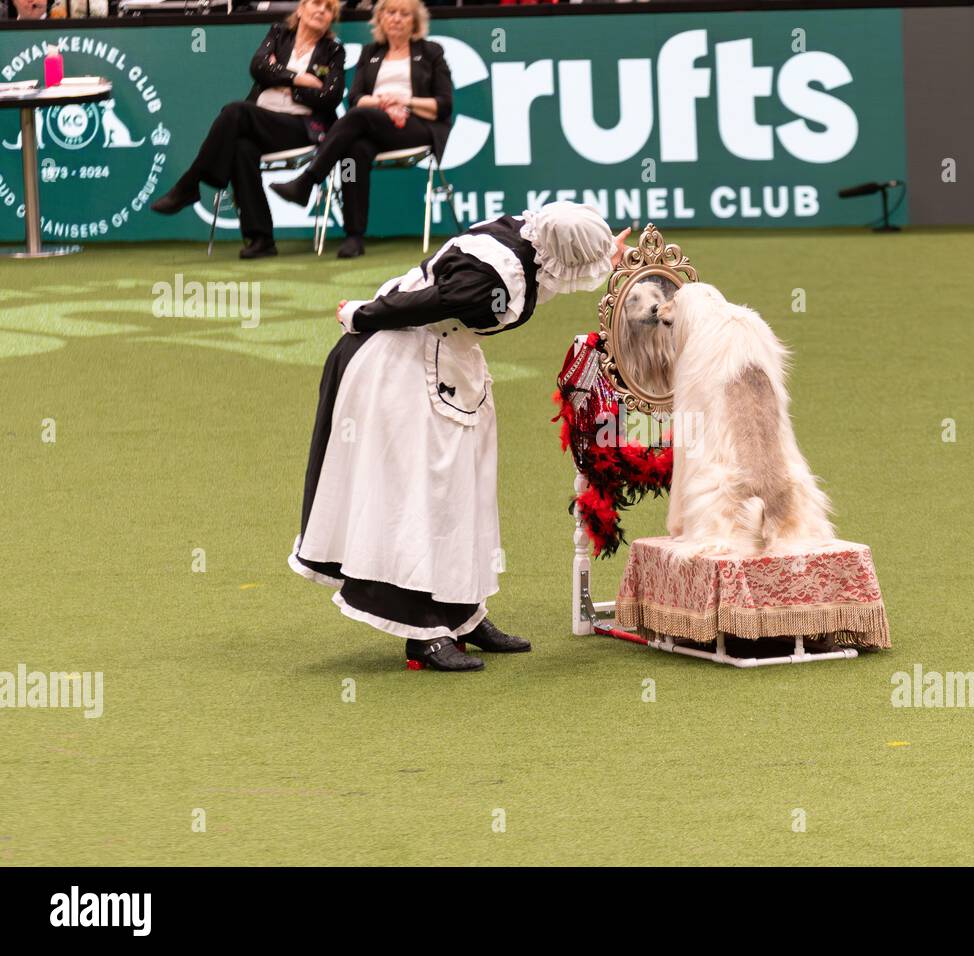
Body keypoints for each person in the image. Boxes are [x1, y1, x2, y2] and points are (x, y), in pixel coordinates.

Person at [290, 202, 632, 671]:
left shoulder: (530, 235)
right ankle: (422, 632)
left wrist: (601, 250)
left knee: (463, 489)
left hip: (447, 363)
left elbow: (538, 276)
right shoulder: (488, 279)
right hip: (400, 366)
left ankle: (461, 613)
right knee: (418, 493)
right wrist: (361, 314)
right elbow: (424, 304)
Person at [149, 0, 345, 259]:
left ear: (332, 18)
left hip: (301, 128)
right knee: (242, 148)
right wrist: (299, 79)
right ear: (301, 9)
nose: (322, 10)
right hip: (264, 120)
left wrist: (282, 80)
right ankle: (261, 239)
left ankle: (190, 183)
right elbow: (258, 67)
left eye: (329, 8)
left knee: (235, 111)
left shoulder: (333, 51)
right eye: (316, 3)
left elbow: (331, 96)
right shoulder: (278, 33)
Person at [271, 0, 452, 259]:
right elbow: (355, 98)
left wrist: (403, 101)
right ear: (380, 19)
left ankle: (308, 181)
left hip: (417, 126)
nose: (397, 18)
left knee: (358, 119)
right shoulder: (370, 52)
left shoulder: (431, 52)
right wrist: (382, 103)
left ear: (414, 21)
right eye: (390, 12)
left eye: (404, 14)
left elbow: (443, 105)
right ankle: (354, 236)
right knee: (354, 149)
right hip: (376, 122)